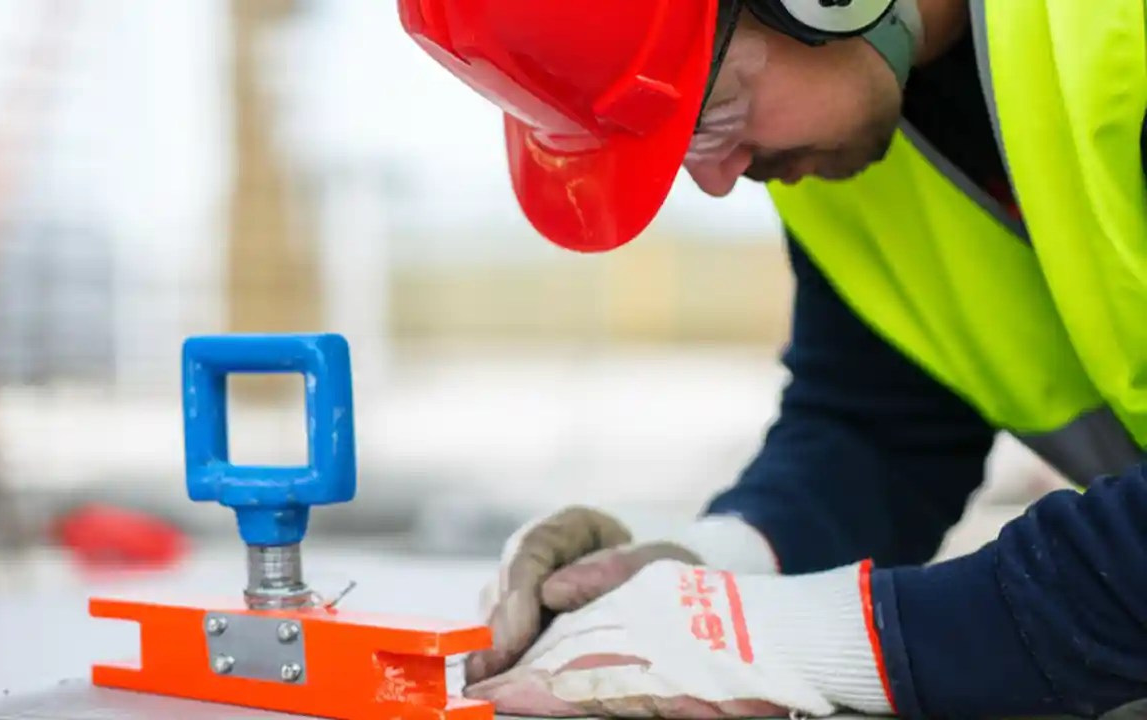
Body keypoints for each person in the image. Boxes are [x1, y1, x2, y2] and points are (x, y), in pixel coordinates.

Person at [398, 0, 1147, 717]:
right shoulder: (847, 120)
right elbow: (881, 427)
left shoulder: (1121, 31)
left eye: (714, 116)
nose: (719, 179)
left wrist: (841, 642)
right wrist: (716, 565)